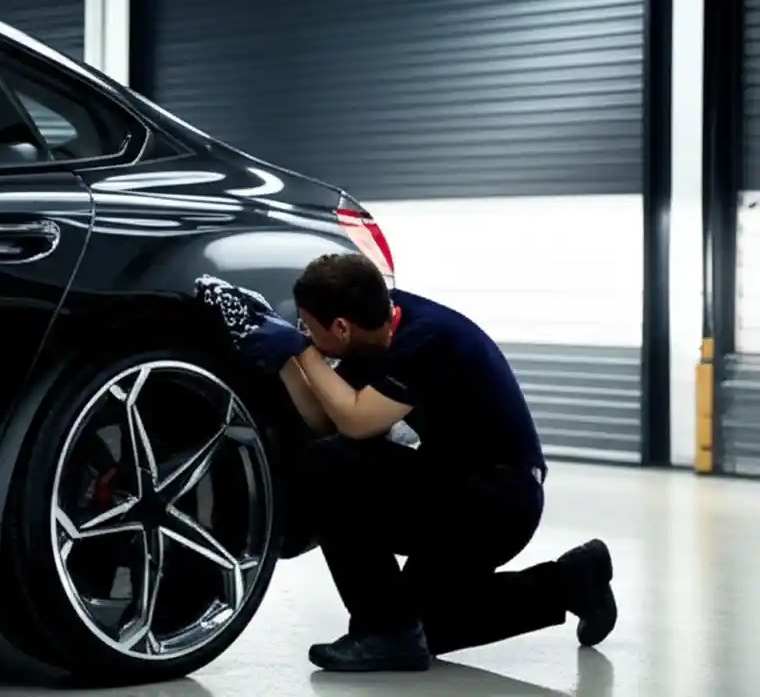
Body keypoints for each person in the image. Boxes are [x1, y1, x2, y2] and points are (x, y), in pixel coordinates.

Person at [233, 252, 618, 673]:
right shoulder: (374, 328)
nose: (305, 331)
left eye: (309, 325)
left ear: (340, 328)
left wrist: (304, 353)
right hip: (456, 487)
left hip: (499, 501)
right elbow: (331, 421)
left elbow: (357, 423)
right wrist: (288, 363)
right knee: (428, 628)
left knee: (329, 466)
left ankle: (382, 631)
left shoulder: (427, 338)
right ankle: (575, 581)